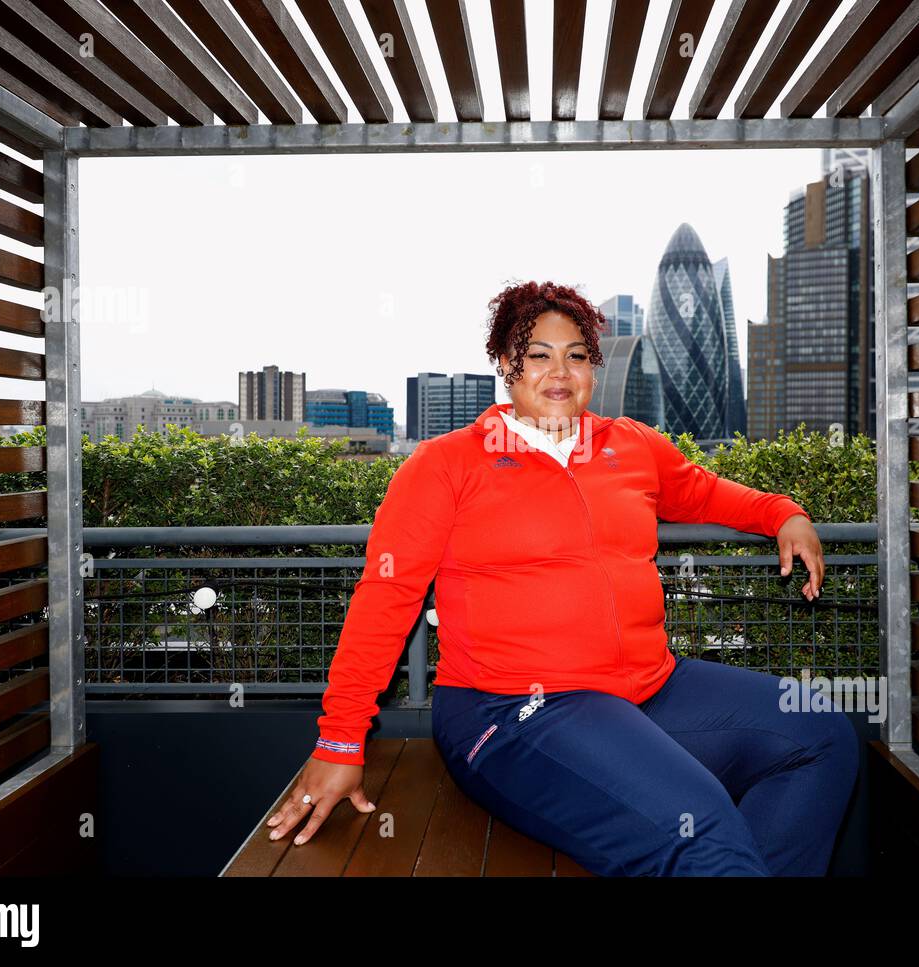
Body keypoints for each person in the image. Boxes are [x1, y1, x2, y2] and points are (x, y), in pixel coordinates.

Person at [267, 280, 859, 875]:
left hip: (648, 690)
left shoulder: (629, 446)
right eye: (537, 354)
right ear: (505, 364)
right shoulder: (445, 464)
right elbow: (386, 598)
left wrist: (783, 513)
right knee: (700, 827)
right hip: (510, 710)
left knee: (820, 739)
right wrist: (341, 738)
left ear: (592, 370)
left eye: (576, 355)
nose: (559, 371)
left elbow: (704, 492)